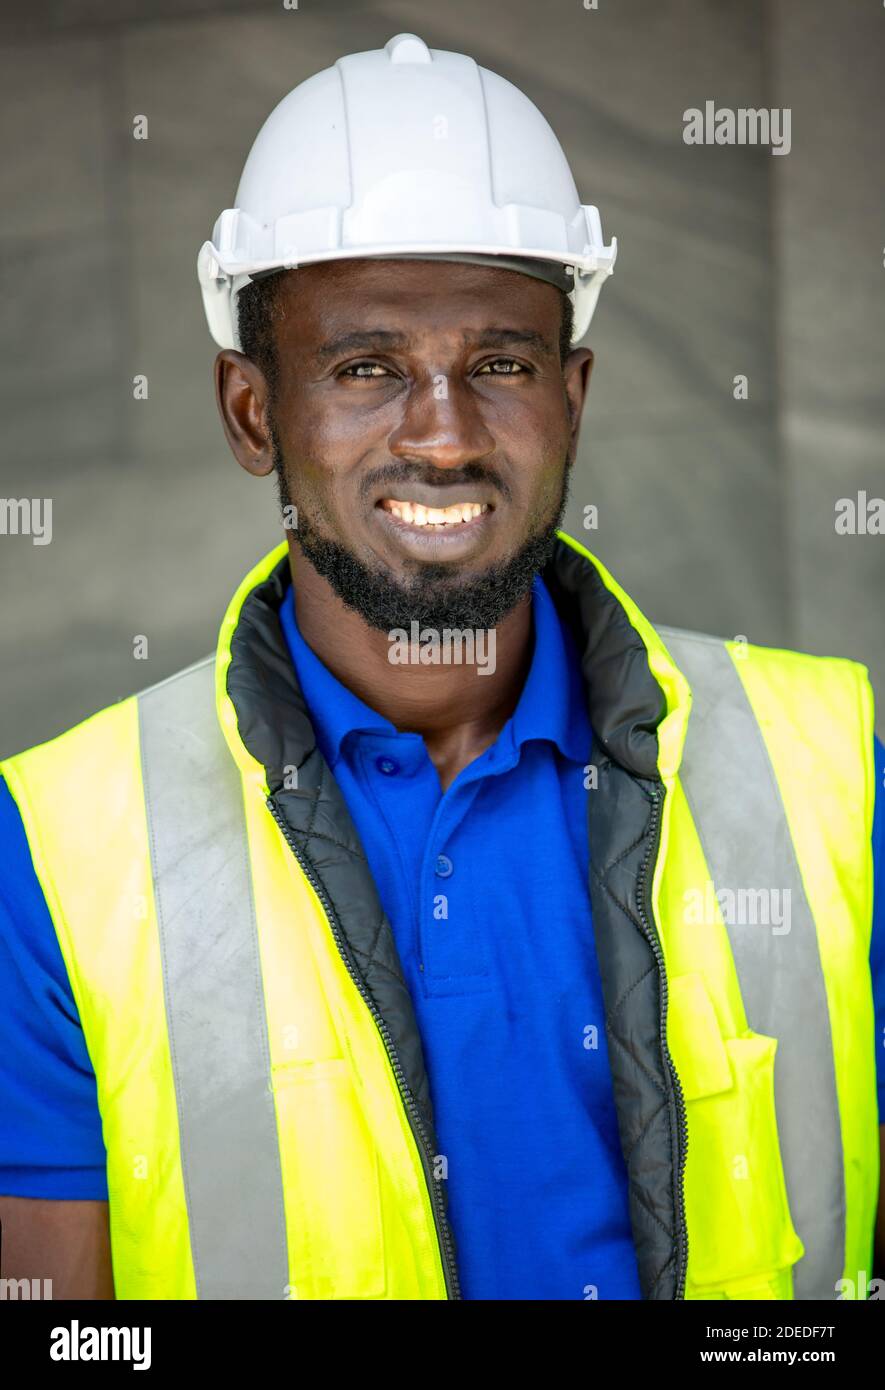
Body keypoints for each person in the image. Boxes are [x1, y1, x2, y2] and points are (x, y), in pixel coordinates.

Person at [1, 33, 882, 1302]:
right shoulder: (56, 854)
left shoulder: (835, 777)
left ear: (571, 396)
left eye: (502, 364)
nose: (445, 432)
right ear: (254, 413)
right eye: (366, 368)